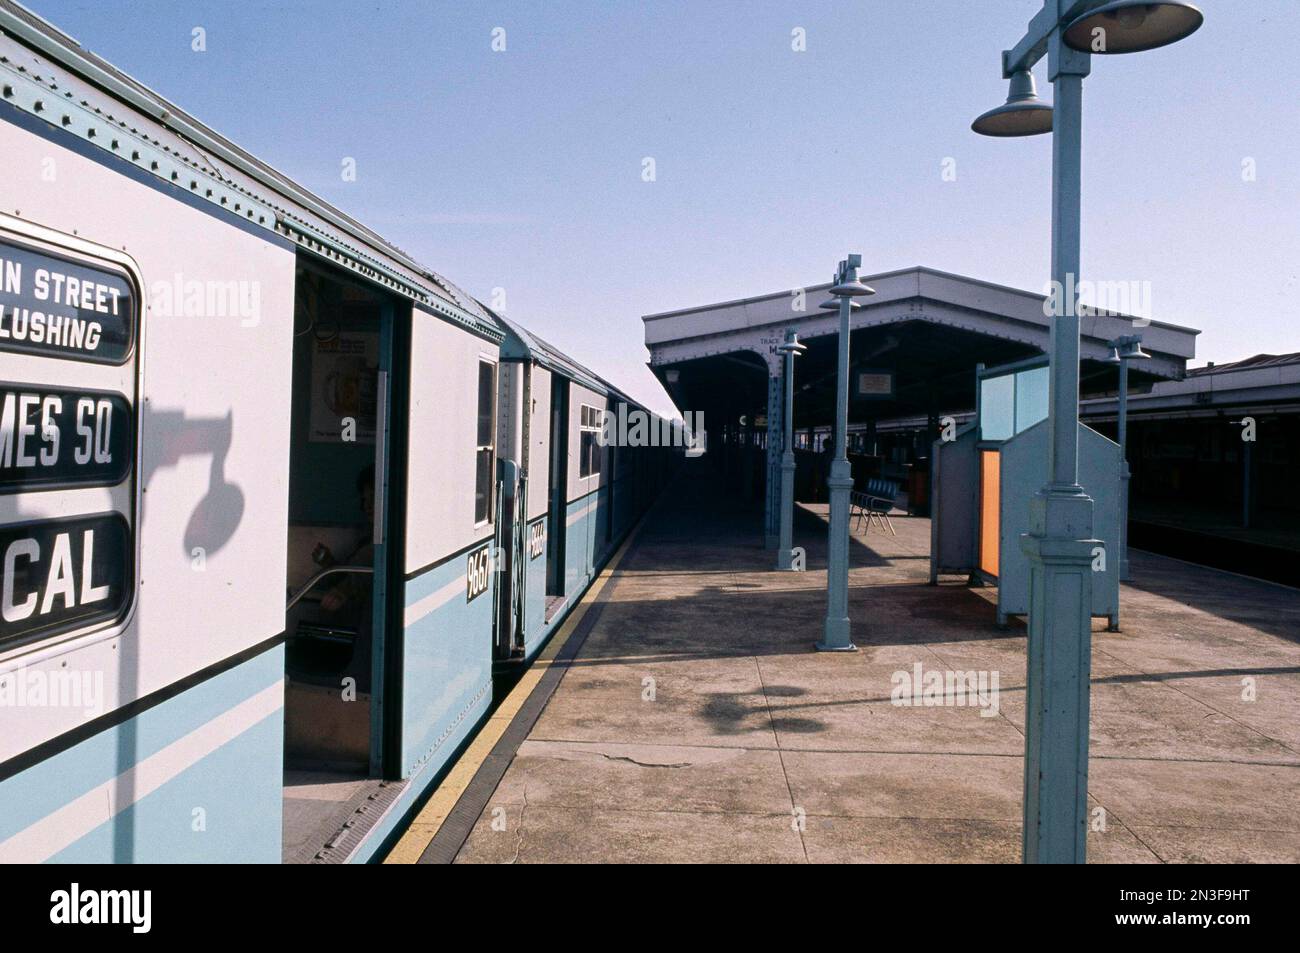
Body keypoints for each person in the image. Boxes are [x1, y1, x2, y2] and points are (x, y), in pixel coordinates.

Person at [318, 465, 375, 614]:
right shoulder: (366, 541)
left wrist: (342, 592)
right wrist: (328, 563)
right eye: (365, 499)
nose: (368, 506)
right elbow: (348, 576)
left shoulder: (382, 547)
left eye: (374, 498)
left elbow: (362, 580)